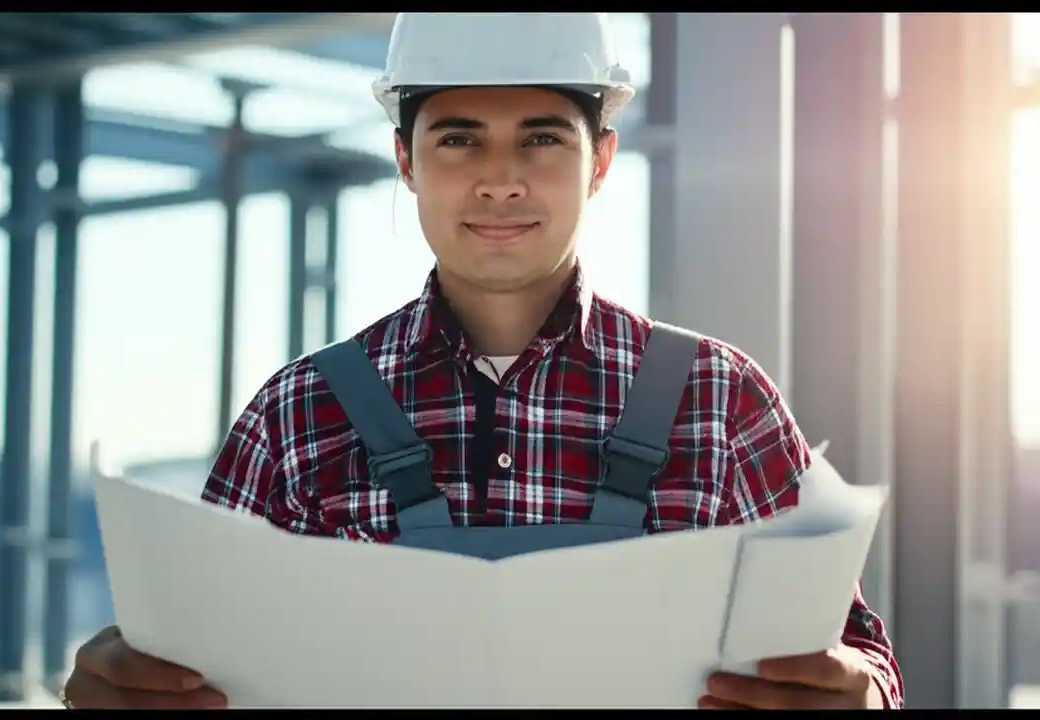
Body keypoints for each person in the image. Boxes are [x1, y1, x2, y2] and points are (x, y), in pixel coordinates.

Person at [62, 12, 904, 710]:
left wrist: (859, 695)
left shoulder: (720, 402)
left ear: (600, 160)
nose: (501, 180)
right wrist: (131, 686)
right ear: (406, 161)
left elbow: (859, 655)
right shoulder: (298, 413)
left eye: (541, 138)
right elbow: (192, 662)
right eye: (460, 139)